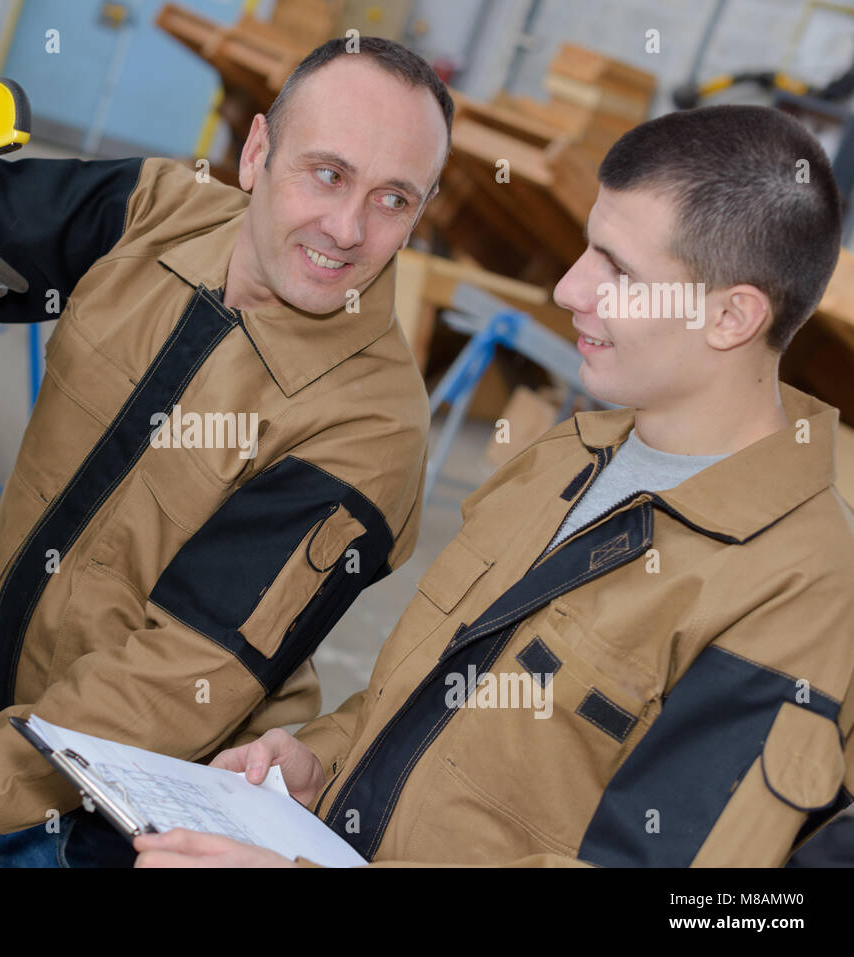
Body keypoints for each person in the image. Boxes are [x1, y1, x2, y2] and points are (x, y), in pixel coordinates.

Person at [0, 37, 452, 866]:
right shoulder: (156, 209)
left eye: (394, 199)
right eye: (327, 173)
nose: (348, 228)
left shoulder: (372, 429)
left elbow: (167, 685)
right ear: (257, 151)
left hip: (125, 822)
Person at [135, 103, 854, 868]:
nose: (571, 288)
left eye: (619, 269)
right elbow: (439, 707)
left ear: (731, 316)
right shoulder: (564, 459)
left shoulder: (803, 592)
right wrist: (325, 761)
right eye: (587, 249)